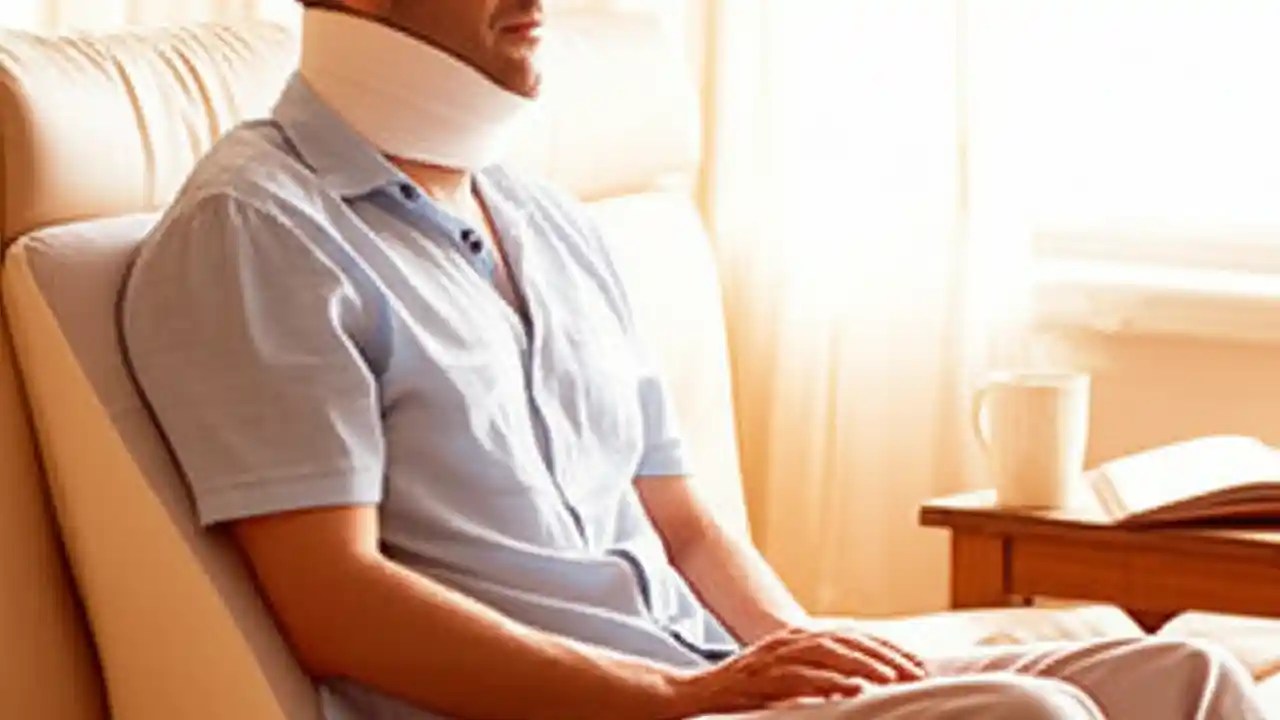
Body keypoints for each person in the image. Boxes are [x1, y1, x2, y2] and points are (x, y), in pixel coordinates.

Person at [121, 1, 1267, 718]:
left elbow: (683, 525)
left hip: (698, 679)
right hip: (595, 711)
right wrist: (669, 697)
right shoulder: (260, 229)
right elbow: (333, 602)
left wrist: (800, 646)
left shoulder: (550, 222)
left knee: (1194, 680)